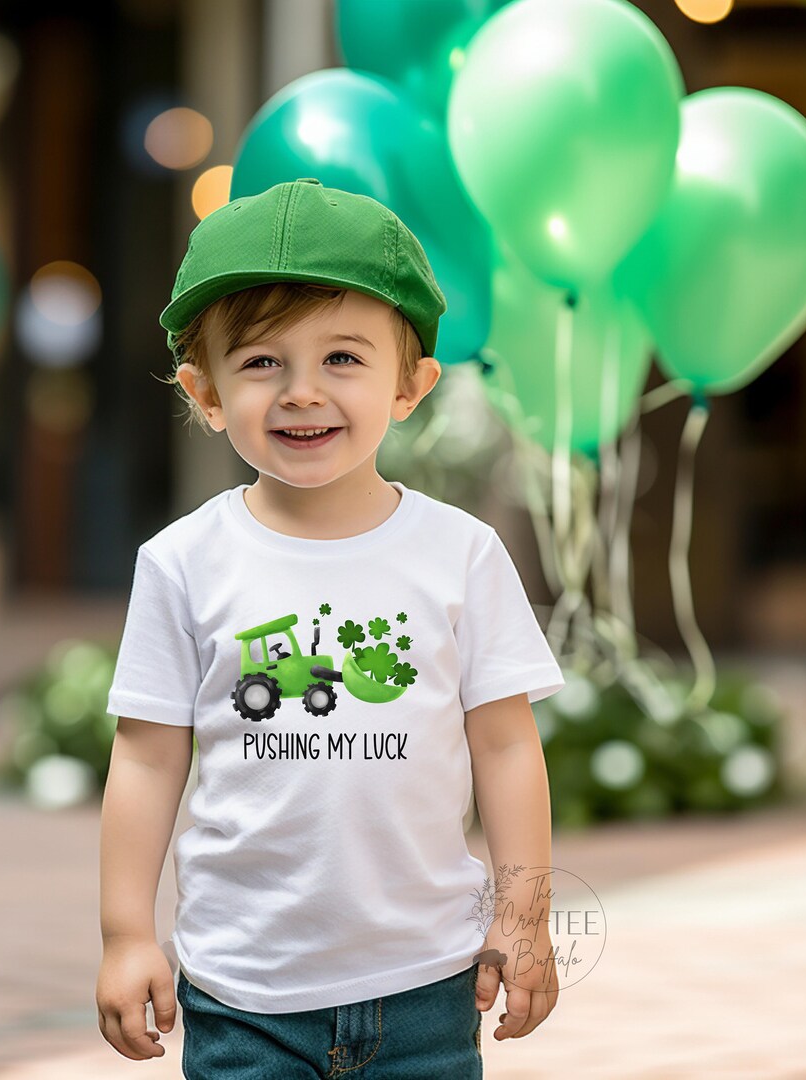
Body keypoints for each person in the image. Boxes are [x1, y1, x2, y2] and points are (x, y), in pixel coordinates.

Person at [96, 177, 565, 1078]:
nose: (302, 392)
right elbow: (149, 756)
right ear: (204, 392)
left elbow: (506, 748)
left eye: (344, 359)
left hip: (427, 988)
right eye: (262, 362)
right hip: (244, 997)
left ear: (411, 384)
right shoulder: (183, 562)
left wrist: (523, 912)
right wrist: (126, 934)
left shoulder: (461, 554)